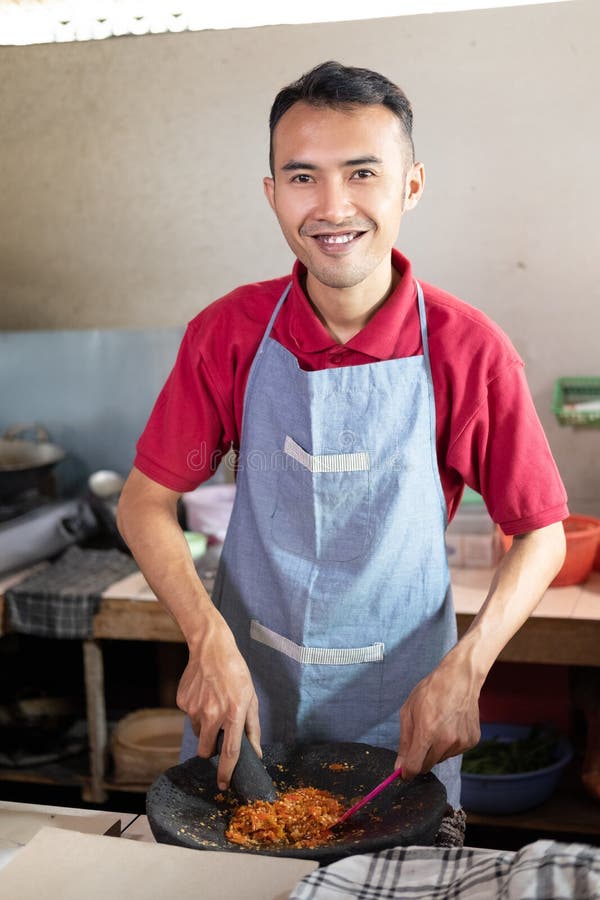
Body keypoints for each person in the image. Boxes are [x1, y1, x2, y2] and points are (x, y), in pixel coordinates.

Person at [117, 61, 567, 809]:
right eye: (302, 178)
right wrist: (205, 641)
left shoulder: (467, 348)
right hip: (245, 699)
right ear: (271, 194)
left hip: (403, 711)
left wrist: (467, 668)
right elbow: (144, 501)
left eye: (362, 173)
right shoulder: (228, 334)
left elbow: (541, 531)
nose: (332, 207)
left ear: (411, 186)